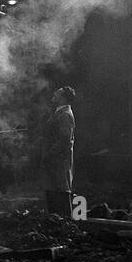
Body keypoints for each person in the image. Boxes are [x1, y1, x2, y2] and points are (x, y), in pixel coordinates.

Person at [43, 85, 76, 217]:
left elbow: (64, 140)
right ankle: (57, 223)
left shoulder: (65, 115)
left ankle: (65, 224)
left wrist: (50, 154)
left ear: (63, 98)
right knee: (54, 193)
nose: (54, 94)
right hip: (55, 162)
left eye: (57, 93)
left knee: (61, 193)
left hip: (59, 162)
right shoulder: (60, 113)